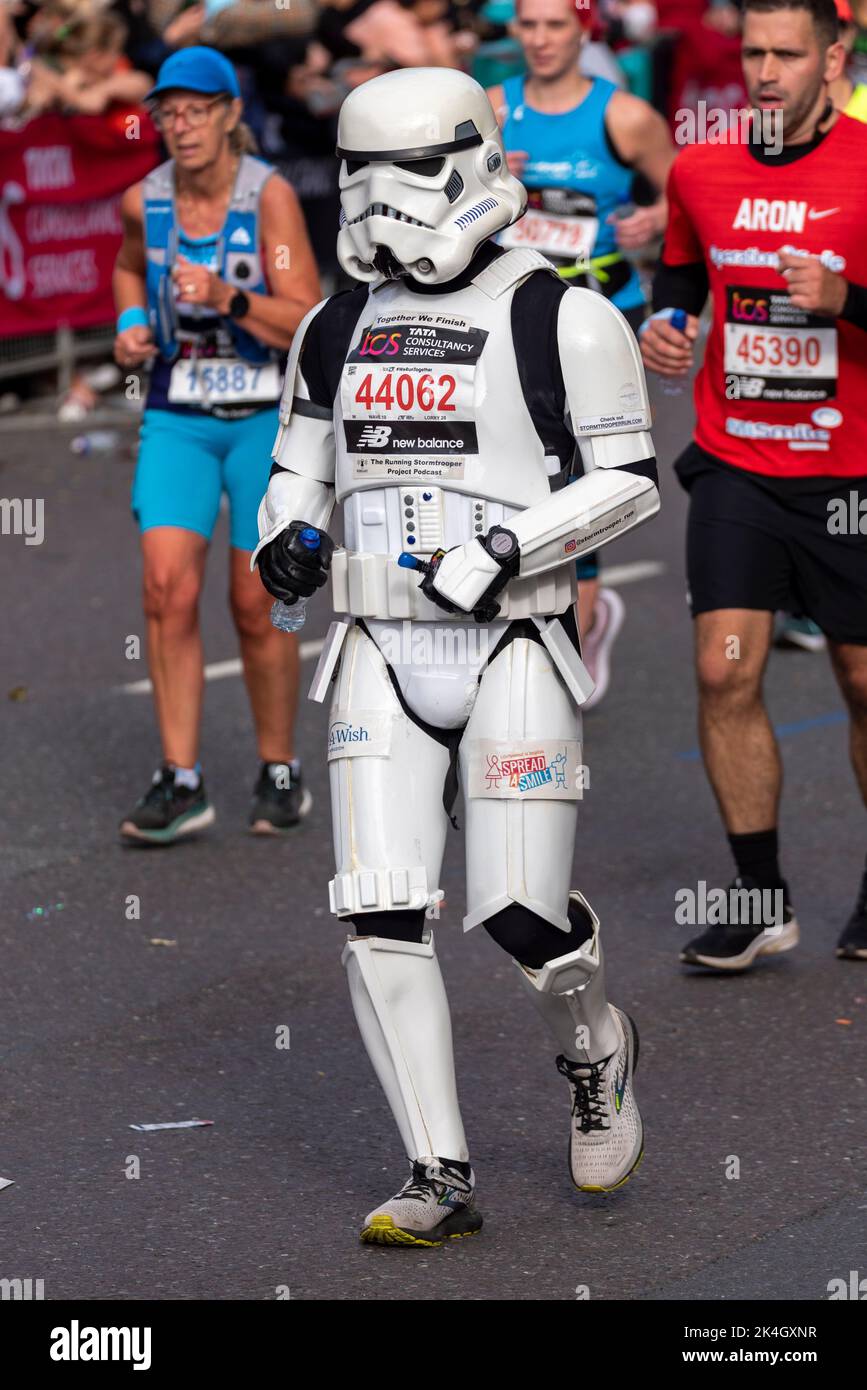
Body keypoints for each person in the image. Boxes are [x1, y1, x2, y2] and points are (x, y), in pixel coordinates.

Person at [255, 66, 660, 1245]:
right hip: (378, 642)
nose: (383, 206)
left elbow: (625, 479)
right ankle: (438, 1171)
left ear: (476, 162)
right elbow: (301, 464)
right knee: (378, 907)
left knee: (521, 912)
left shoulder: (564, 315)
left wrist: (506, 544)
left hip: (512, 639)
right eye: (361, 178)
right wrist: (285, 541)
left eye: (409, 173)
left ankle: (595, 1046)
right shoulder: (335, 325)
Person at [640, 0, 867, 967]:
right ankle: (760, 899)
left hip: (852, 475)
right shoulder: (700, 166)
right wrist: (665, 322)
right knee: (721, 670)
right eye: (753, 53)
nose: (765, 72)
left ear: (836, 55)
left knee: (861, 683)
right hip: (737, 459)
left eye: (787, 53)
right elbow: (683, 271)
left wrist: (844, 299)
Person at [113, 46, 321, 843]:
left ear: (232, 114)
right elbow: (127, 269)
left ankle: (278, 767)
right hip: (178, 413)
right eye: (170, 112)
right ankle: (182, 779)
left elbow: (304, 312)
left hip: (264, 412)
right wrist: (132, 327)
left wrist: (231, 296)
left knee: (255, 599)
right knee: (165, 590)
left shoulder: (265, 199)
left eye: (199, 109)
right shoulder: (146, 202)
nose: (183, 126)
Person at [488, 0, 674, 708]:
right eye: (527, 26)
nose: (539, 40)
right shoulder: (491, 110)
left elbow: (688, 198)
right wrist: (489, 179)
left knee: (577, 475)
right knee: (522, 472)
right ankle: (549, 626)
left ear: (582, 31)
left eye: (554, 26)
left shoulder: (622, 117)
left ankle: (565, 635)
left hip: (599, 318)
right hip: (512, 317)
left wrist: (652, 225)